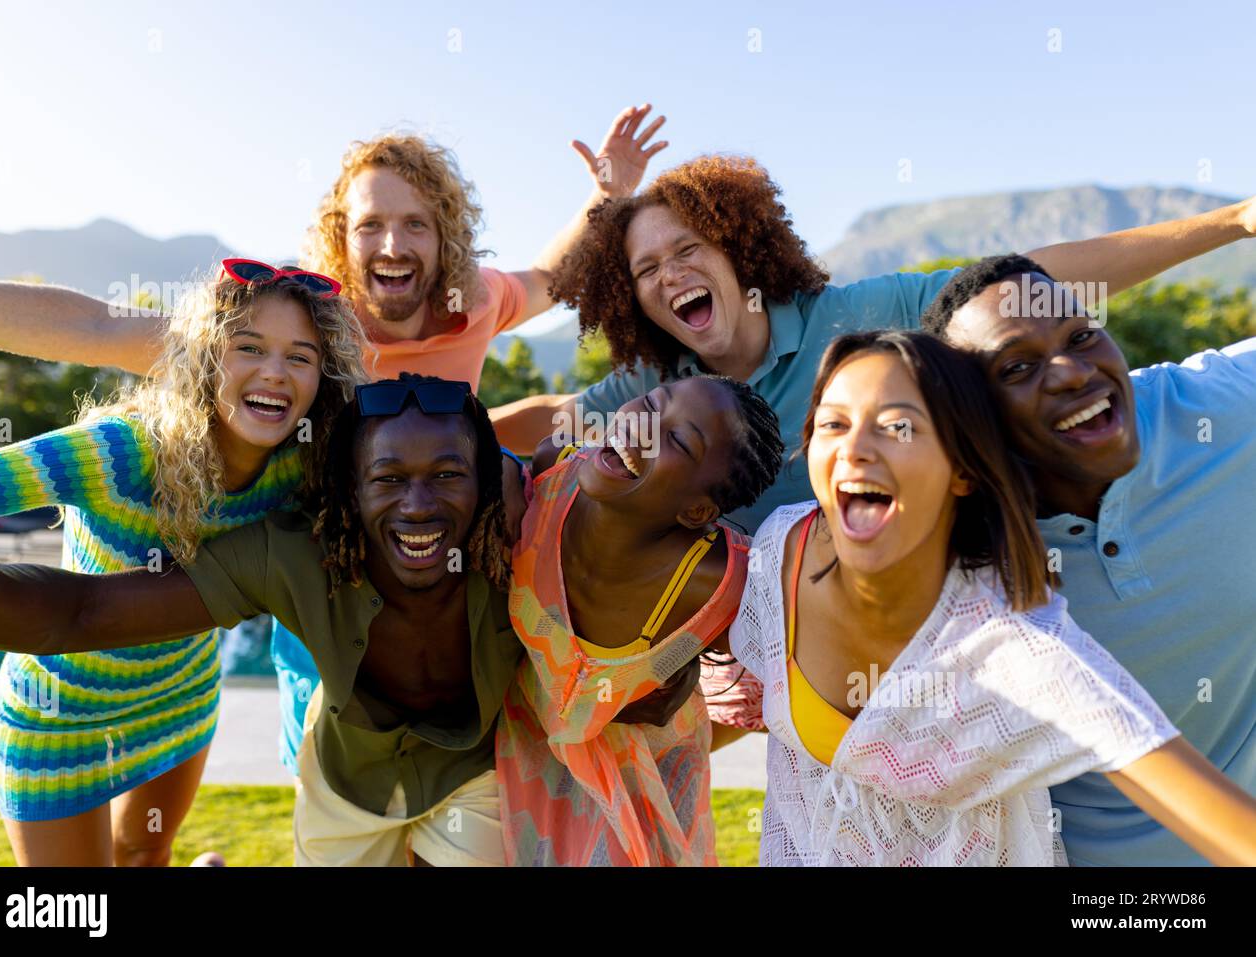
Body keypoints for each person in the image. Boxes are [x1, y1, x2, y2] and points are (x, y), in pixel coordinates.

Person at [0, 105, 672, 777]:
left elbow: (550, 276)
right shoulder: (303, 330)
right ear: (340, 235)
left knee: (460, 779)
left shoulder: (473, 300)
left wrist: (605, 195)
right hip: (330, 583)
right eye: (371, 225)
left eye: (416, 224)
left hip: (440, 575)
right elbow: (100, 329)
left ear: (444, 235)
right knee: (332, 774)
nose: (393, 244)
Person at [492, 155, 1256, 532]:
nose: (672, 275)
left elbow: (1023, 284)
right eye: (647, 269)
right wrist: (413, 424)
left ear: (738, 251)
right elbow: (547, 417)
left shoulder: (856, 316)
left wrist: (1232, 223)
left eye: (689, 249)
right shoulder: (654, 391)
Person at [733, 329, 1256, 866]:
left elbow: (1204, 810)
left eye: (899, 427)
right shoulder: (781, 550)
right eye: (834, 424)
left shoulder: (1018, 648)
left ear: (962, 470)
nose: (855, 449)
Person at [0, 260, 366, 865]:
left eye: (300, 357)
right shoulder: (123, 450)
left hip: (181, 698)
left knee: (147, 854)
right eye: (247, 347)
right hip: (58, 715)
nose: (274, 373)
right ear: (202, 356)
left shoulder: (305, 464)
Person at [921, 254, 1256, 866]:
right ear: (971, 419)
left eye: (1081, 336)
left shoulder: (1224, 400)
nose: (1074, 372)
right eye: (1017, 366)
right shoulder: (952, 545)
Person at [497, 375, 782, 865]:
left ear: (697, 510)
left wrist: (670, 668)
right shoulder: (546, 477)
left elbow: (791, 680)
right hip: (528, 774)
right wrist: (499, 463)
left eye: (676, 440)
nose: (644, 428)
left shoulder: (719, 581)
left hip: (651, 801)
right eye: (652, 402)